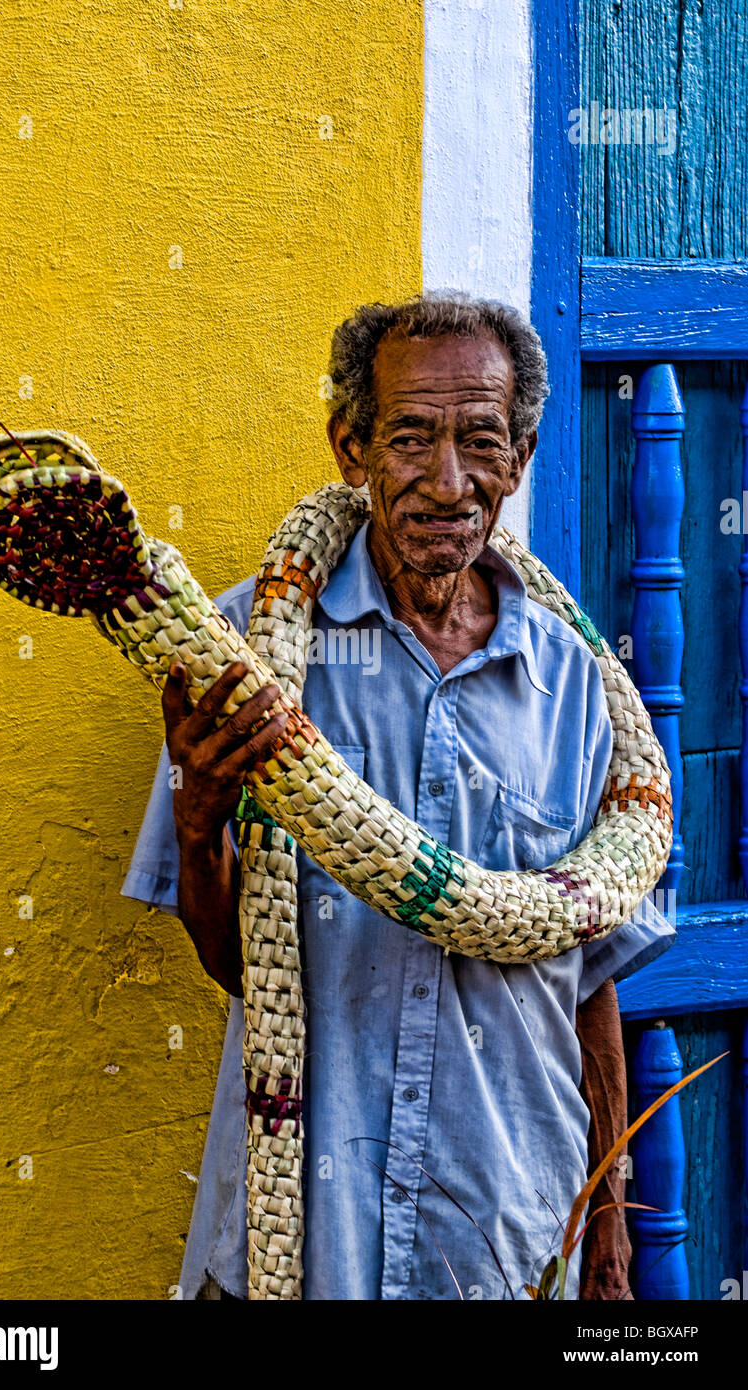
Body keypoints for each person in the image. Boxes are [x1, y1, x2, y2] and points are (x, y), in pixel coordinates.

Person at [122, 293, 675, 1300]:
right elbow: (240, 963)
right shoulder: (248, 652)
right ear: (350, 446)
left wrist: (608, 1223)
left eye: (480, 442)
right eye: (411, 439)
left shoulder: (577, 685)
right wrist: (200, 818)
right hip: (299, 1235)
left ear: (520, 455)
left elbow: (588, 983)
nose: (447, 481)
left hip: (505, 1234)